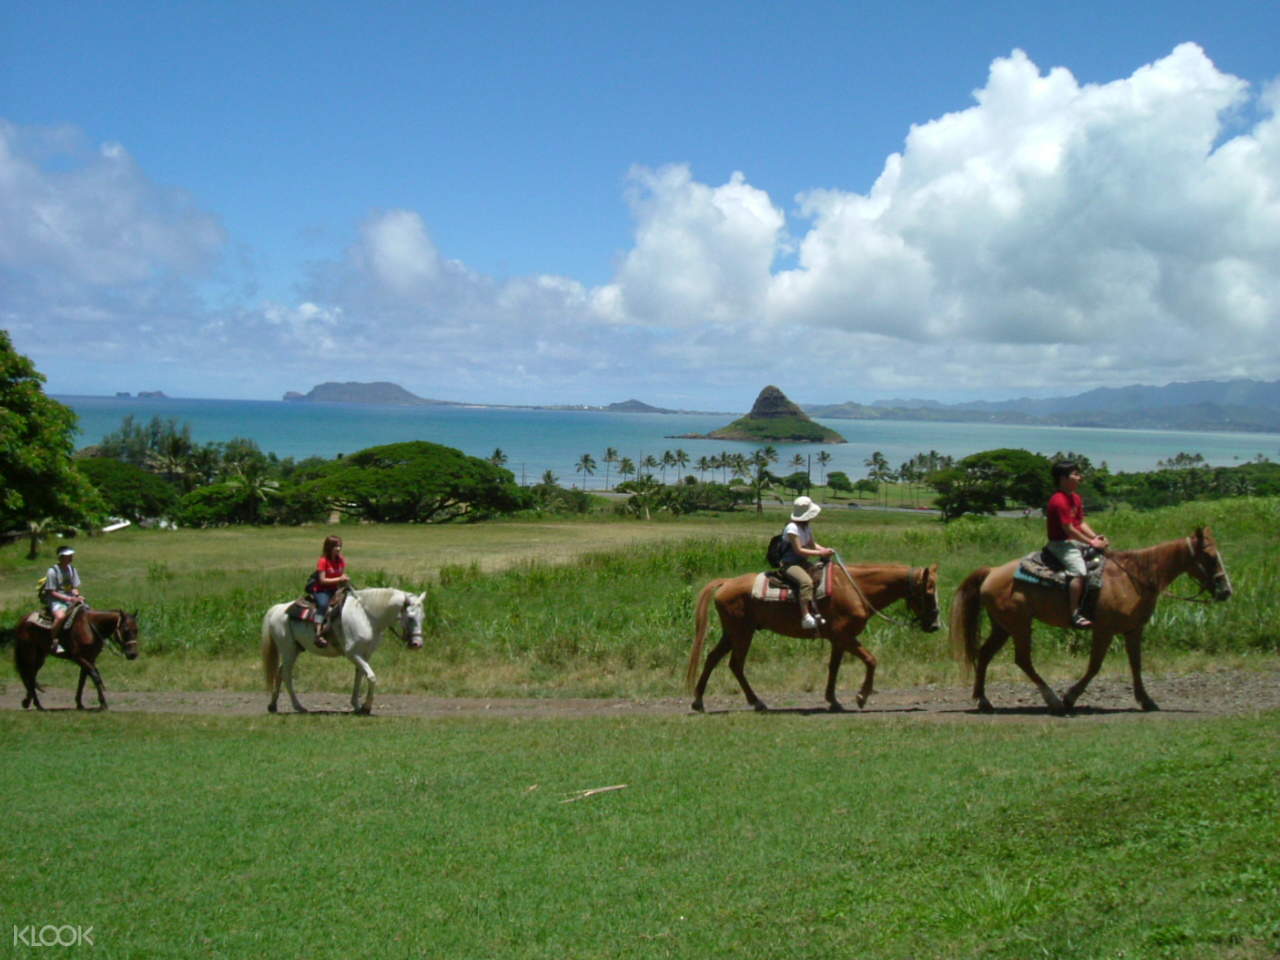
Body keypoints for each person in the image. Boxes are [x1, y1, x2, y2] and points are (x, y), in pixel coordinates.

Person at [1045, 461, 1109, 629]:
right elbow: (1069, 529)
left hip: (1074, 541)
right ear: (1063, 478)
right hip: (1061, 544)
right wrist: (1091, 542)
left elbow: (1080, 523)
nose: (1080, 477)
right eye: (1075, 474)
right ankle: (1075, 613)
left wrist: (1096, 537)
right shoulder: (1059, 500)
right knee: (1079, 571)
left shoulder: (1076, 498)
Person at [778, 496, 835, 630]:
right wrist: (822, 553)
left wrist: (826, 549)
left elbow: (812, 544)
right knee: (806, 582)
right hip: (790, 564)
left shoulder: (806, 527)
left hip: (802, 561)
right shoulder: (792, 528)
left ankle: (816, 608)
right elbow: (799, 550)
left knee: (821, 575)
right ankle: (805, 616)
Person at [43, 546, 84, 655]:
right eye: (68, 556)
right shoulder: (52, 571)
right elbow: (51, 591)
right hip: (56, 600)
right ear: (61, 557)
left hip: (70, 597)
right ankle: (53, 640)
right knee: (60, 617)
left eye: (71, 556)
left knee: (86, 610)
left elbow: (74, 586)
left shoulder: (72, 569)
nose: (71, 558)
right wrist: (69, 598)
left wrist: (76, 593)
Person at [311, 535, 350, 647]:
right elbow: (322, 580)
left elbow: (341, 575)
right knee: (323, 605)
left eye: (340, 546)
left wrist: (344, 581)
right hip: (322, 590)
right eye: (335, 546)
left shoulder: (341, 560)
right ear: (329, 547)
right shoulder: (323, 561)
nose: (338, 549)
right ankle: (318, 633)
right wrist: (339, 579)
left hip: (336, 589)